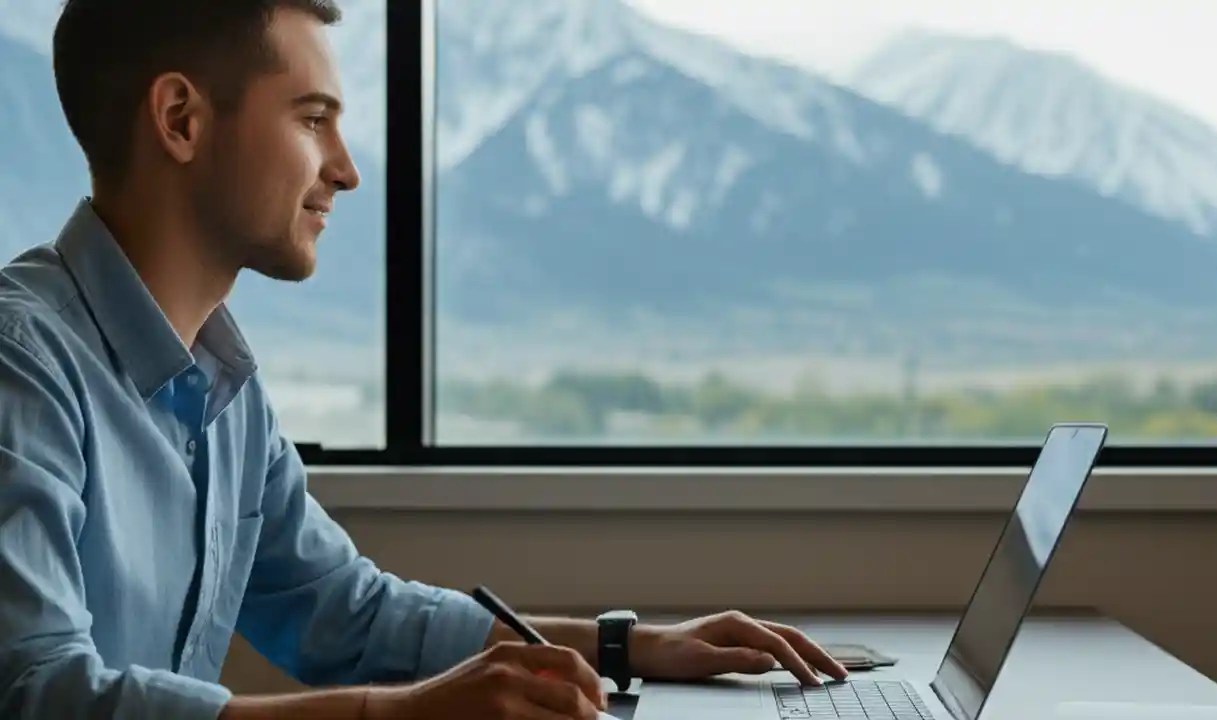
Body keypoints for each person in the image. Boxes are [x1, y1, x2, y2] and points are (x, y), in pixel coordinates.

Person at [0, 1, 850, 718]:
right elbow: (38, 691)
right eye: (312, 118)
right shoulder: (22, 363)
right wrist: (400, 714)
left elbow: (346, 612)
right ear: (182, 119)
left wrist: (627, 645)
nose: (346, 169)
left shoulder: (225, 392)